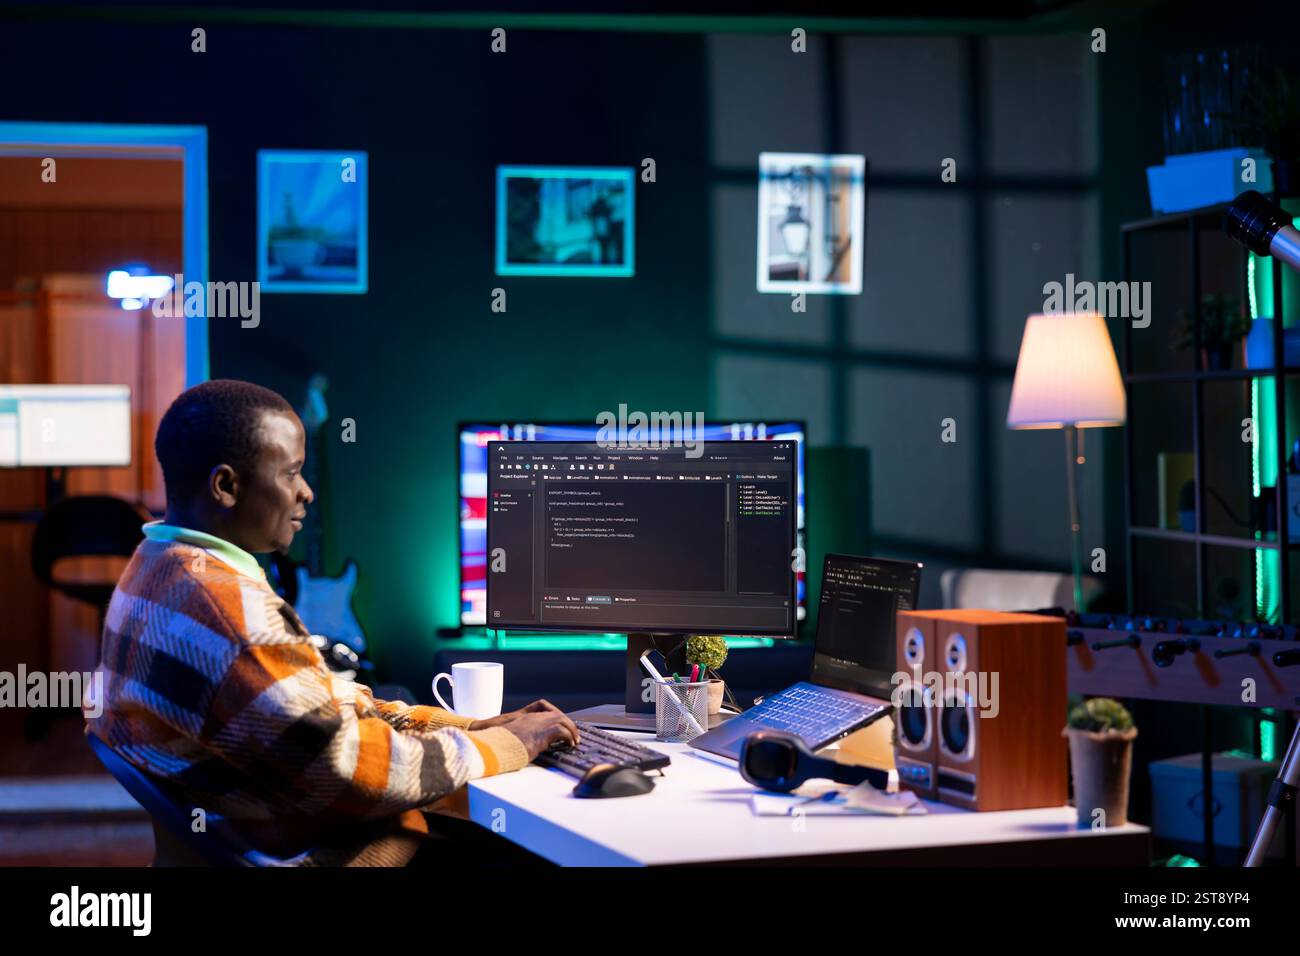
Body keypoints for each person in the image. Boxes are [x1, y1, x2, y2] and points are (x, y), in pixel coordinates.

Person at [86, 379, 578, 866]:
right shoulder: (231, 616)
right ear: (226, 486)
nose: (307, 492)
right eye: (290, 473)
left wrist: (474, 725)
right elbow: (357, 771)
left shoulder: (154, 566)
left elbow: (326, 704)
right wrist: (511, 744)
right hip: (322, 854)